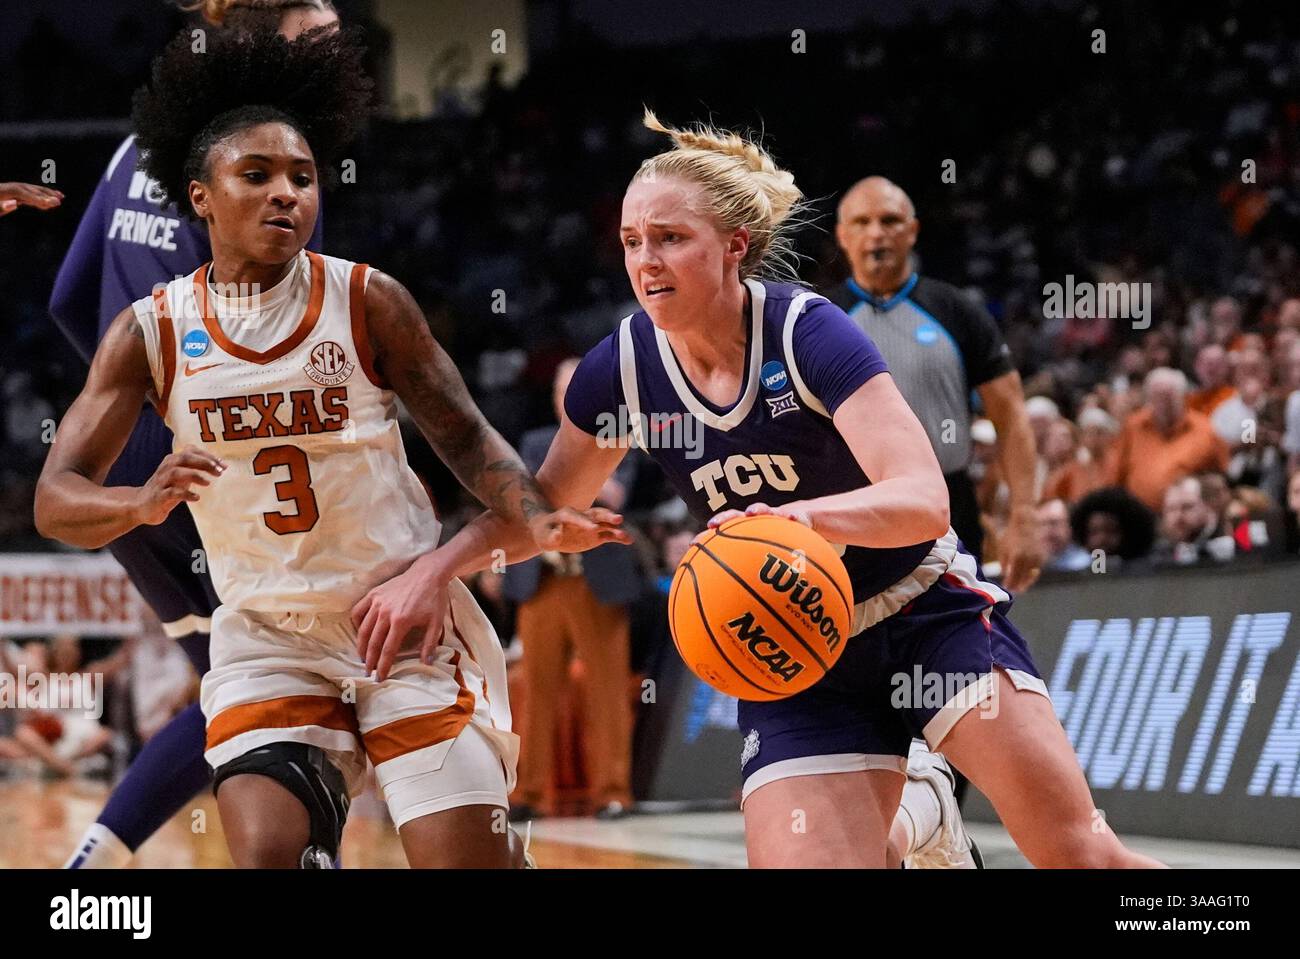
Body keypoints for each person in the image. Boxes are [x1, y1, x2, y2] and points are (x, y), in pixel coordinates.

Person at [352, 111, 1163, 869]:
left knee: (1083, 856)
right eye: (633, 240)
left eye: (670, 238)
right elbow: (540, 510)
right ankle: (920, 814)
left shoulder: (807, 331)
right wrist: (436, 567)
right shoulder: (623, 368)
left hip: (922, 609)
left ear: (735, 244)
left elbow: (922, 498)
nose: (646, 260)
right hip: (792, 653)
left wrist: (796, 520)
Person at [35, 26, 615, 869]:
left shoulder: (368, 300)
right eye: (257, 175)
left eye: (302, 179)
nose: (286, 195)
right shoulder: (151, 330)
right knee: (272, 854)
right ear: (200, 196)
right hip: (269, 637)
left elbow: (469, 440)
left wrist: (540, 515)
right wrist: (140, 500)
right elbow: (57, 499)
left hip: (399, 620)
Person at [47, 0, 336, 870]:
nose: (331, 55)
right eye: (313, 41)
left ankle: (94, 860)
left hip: (115, 459)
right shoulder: (263, 164)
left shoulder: (132, 147)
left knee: (233, 681)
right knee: (296, 664)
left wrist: (122, 391)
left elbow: (68, 298)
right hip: (205, 455)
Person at [828, 176, 1043, 593]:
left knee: (962, 646)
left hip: (949, 502)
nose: (876, 233)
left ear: (913, 231)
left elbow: (1012, 416)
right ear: (842, 235)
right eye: (862, 222)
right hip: (852, 509)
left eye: (890, 220)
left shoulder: (957, 311)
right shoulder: (819, 318)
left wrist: (1025, 515)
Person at [503, 358, 641, 821]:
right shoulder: (535, 441)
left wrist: (558, 486)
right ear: (555, 396)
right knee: (536, 690)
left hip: (597, 578)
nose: (572, 395)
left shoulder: (619, 437)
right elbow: (520, 500)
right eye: (565, 388)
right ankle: (530, 794)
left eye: (581, 387)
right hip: (543, 579)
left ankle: (613, 793)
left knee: (606, 691)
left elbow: (616, 497)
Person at [1107, 367, 1229, 511]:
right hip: (1138, 517)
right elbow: (1117, 473)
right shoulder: (1133, 427)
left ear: (1183, 397)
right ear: (1148, 398)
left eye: (1169, 397)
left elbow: (1222, 476)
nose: (1163, 404)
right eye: (1157, 397)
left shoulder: (1206, 431)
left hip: (1188, 518)